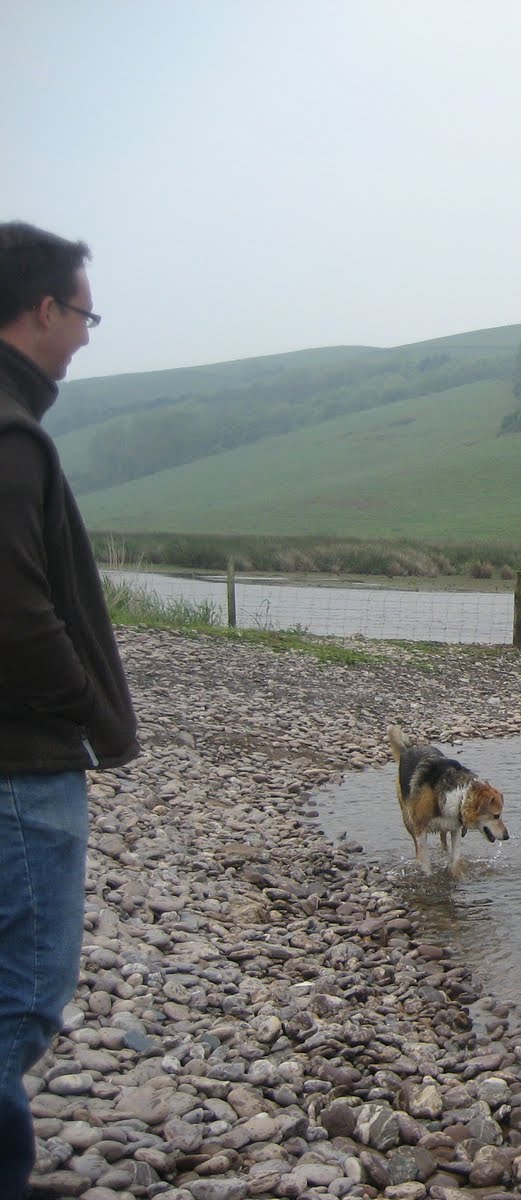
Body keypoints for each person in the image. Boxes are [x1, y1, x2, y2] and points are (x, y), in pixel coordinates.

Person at [0, 221, 139, 1196]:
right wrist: (93, 708)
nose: (89, 335)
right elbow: (16, 614)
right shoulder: (10, 438)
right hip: (19, 766)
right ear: (44, 309)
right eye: (85, 313)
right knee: (22, 1000)